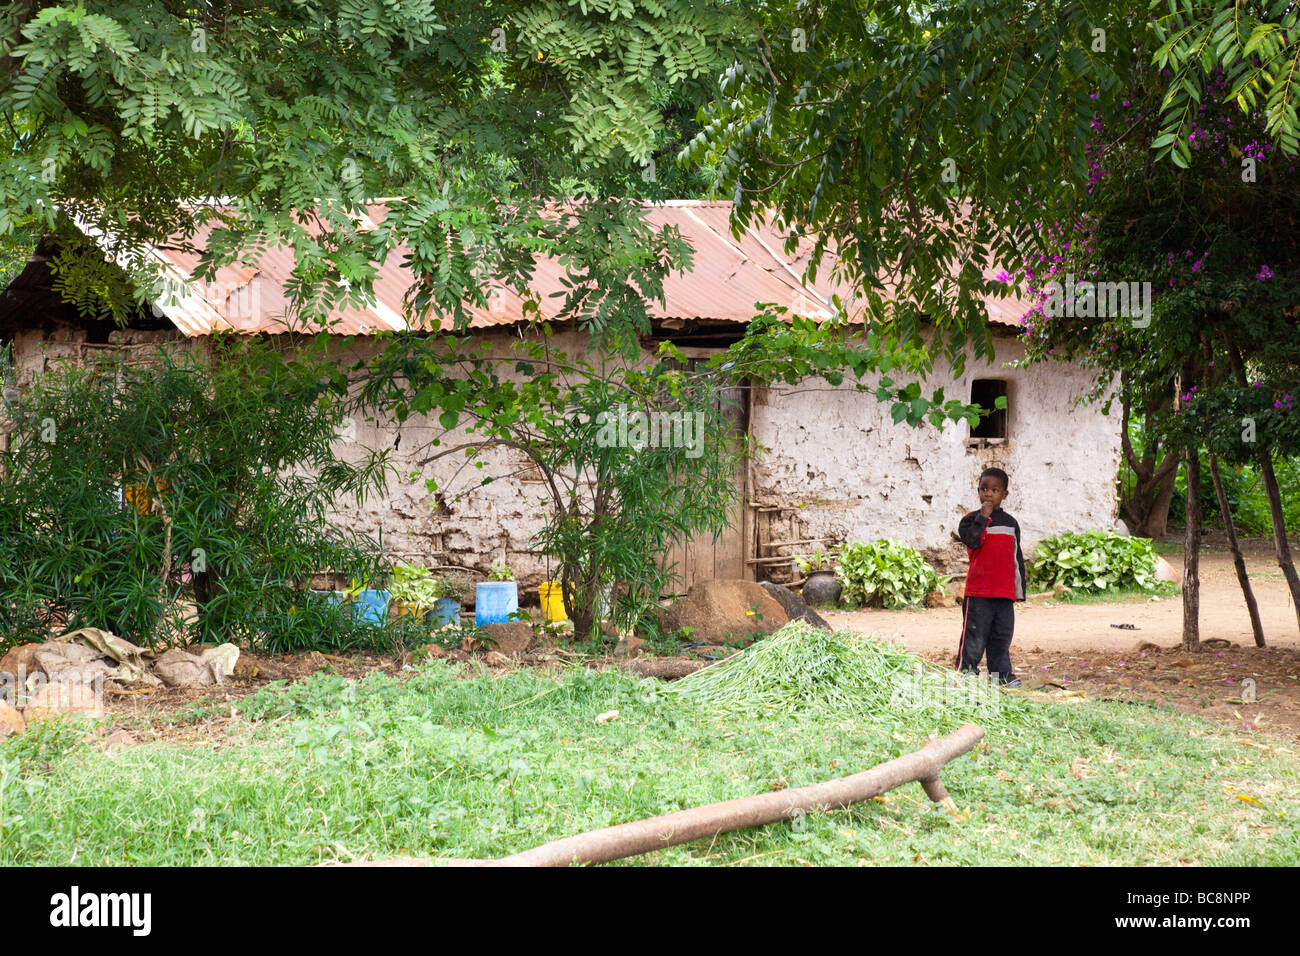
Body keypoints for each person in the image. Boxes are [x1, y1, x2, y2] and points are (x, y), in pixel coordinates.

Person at [956, 467, 1026, 687]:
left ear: (1004, 494)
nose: (988, 494)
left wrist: (1018, 591)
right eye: (984, 489)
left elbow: (1017, 558)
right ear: (978, 491)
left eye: (995, 490)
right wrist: (982, 519)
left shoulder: (1010, 523)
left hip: (1004, 594)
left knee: (1001, 639)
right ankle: (966, 676)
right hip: (979, 593)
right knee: (974, 638)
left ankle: (1002, 679)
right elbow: (972, 541)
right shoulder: (969, 521)